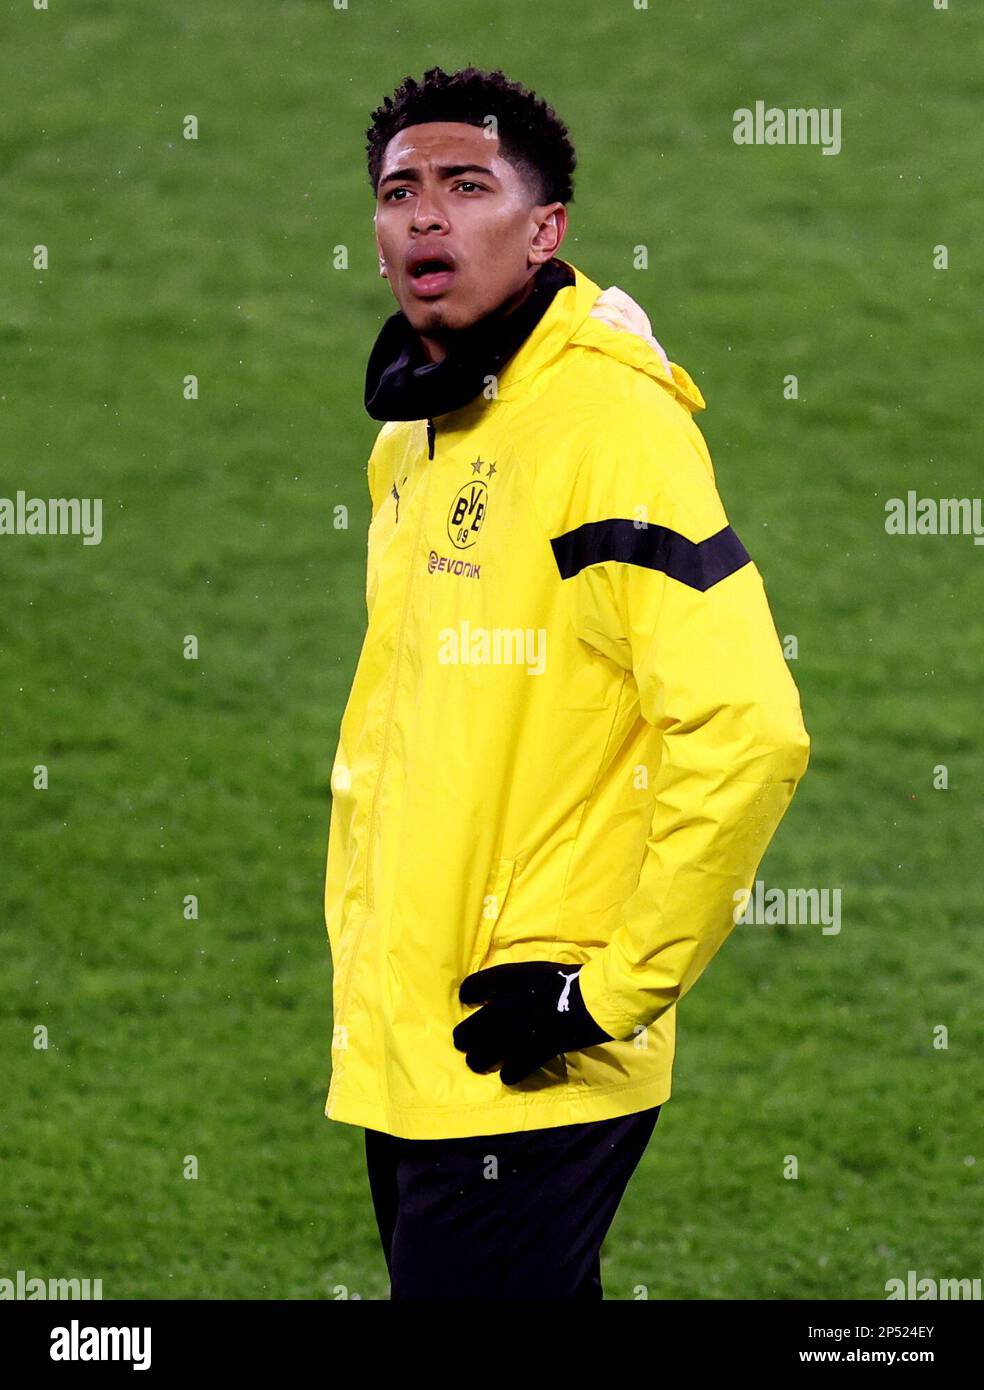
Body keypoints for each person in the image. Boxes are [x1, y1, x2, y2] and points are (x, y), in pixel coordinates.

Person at [322, 66, 811, 1300]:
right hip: (422, 1033)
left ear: (546, 232)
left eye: (466, 187)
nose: (424, 219)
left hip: (534, 1038)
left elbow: (749, 729)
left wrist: (609, 993)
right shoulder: (415, 432)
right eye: (399, 193)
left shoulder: (607, 431)